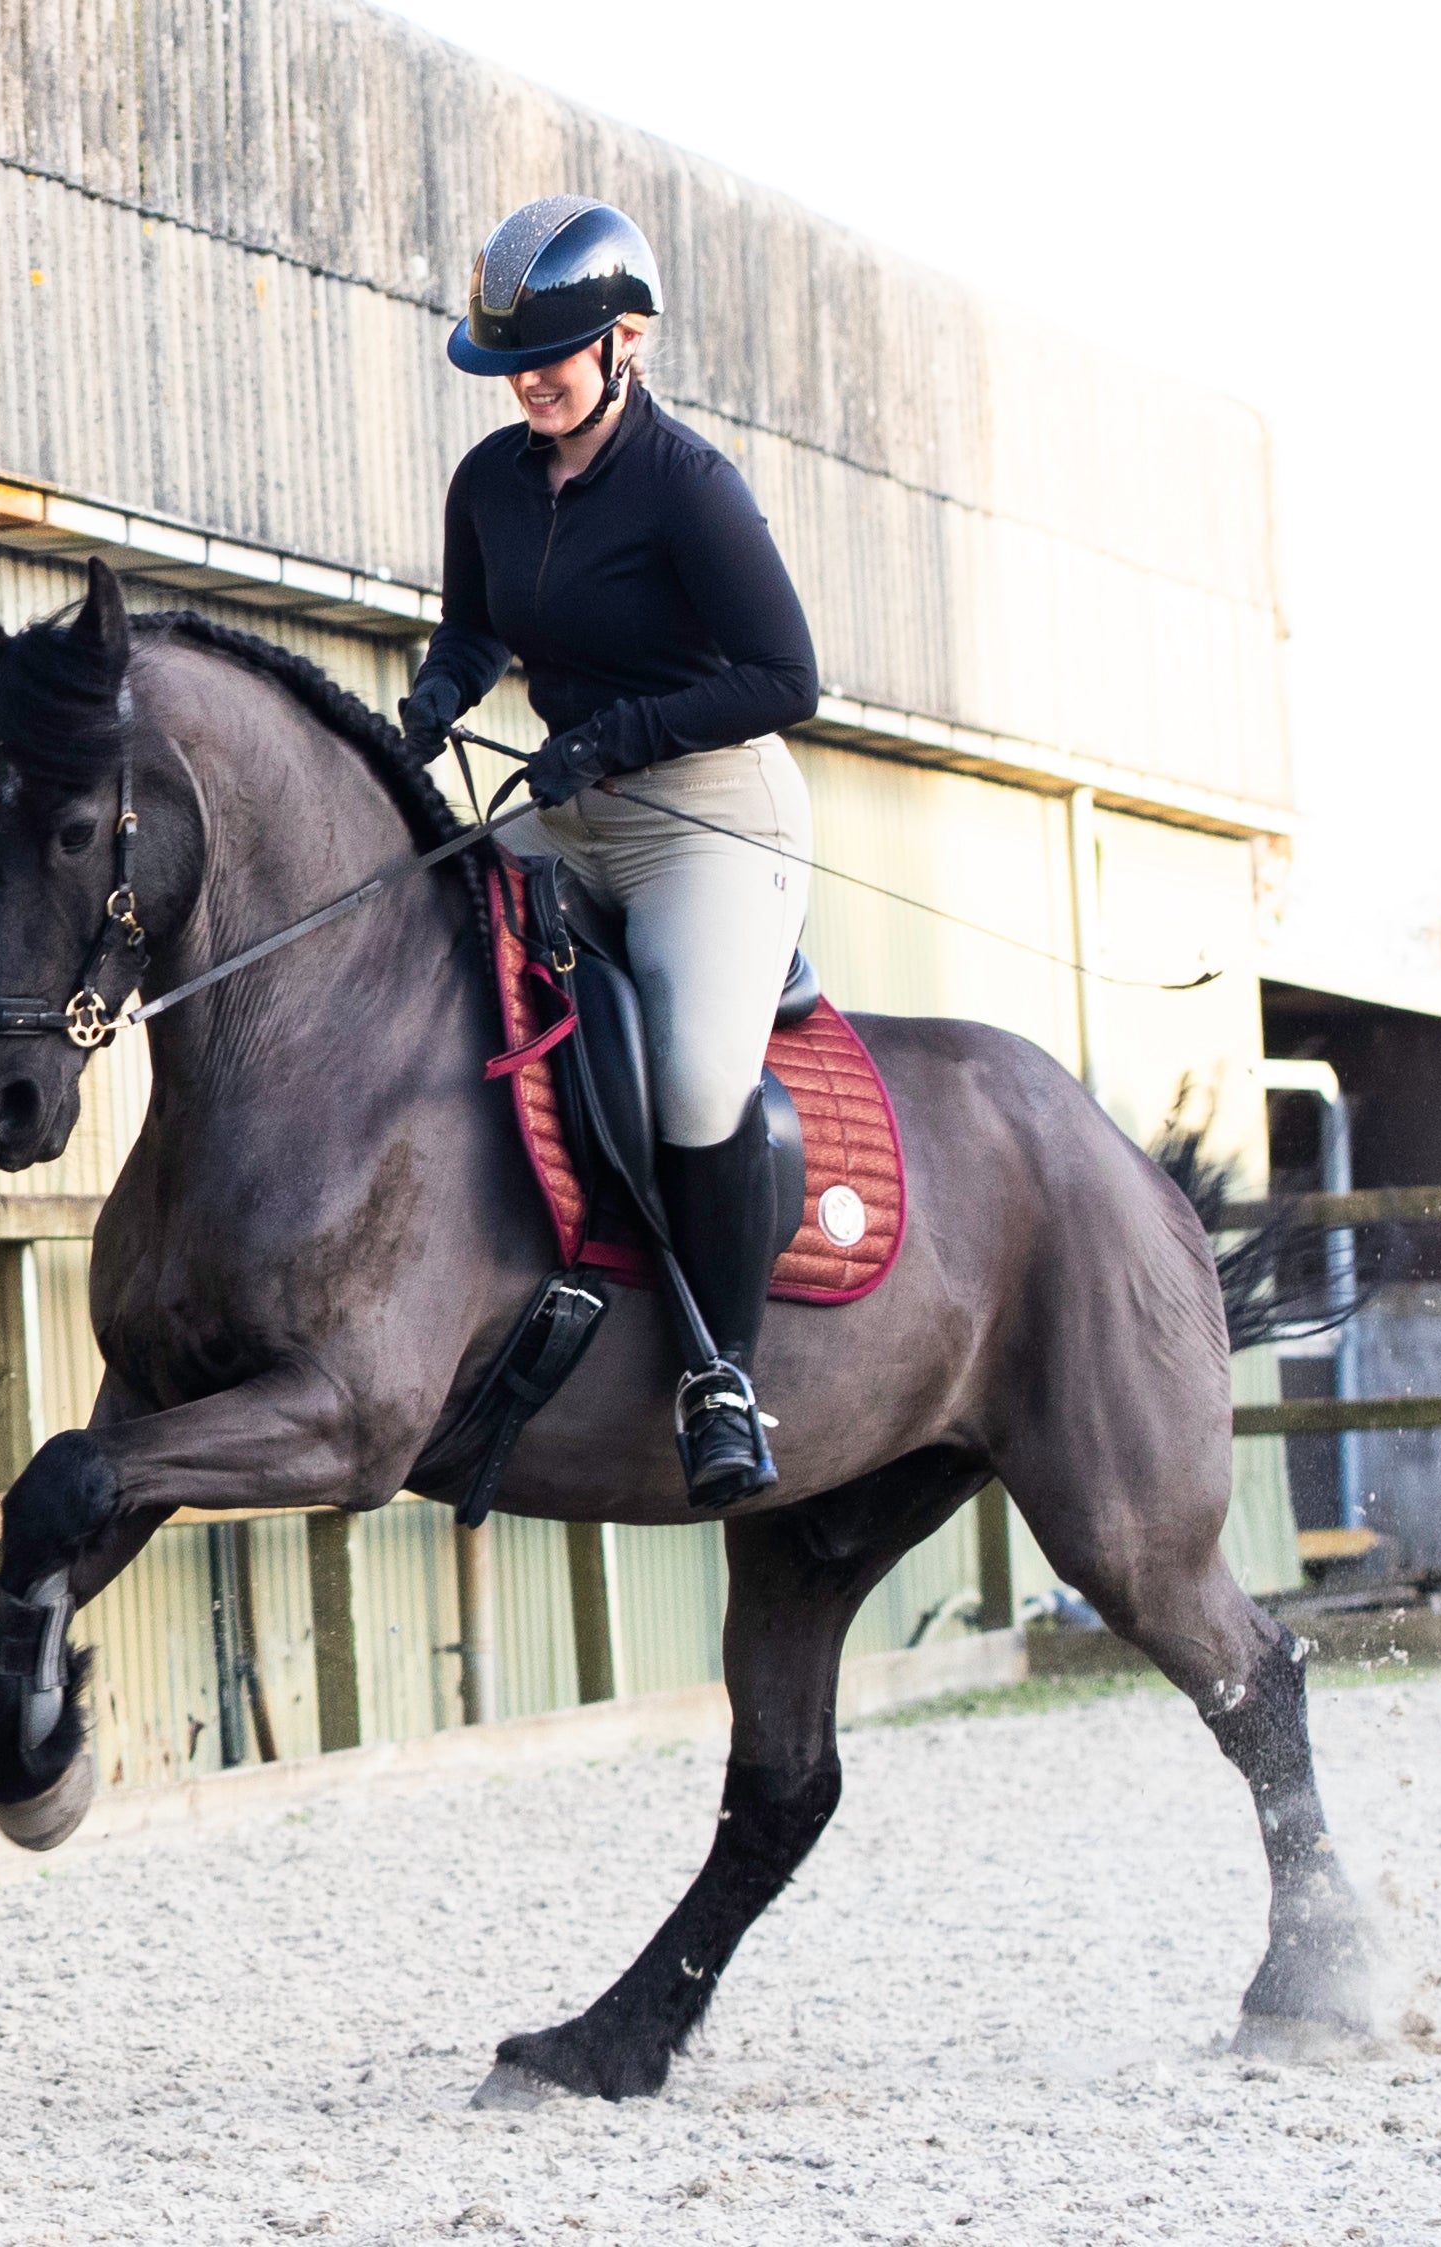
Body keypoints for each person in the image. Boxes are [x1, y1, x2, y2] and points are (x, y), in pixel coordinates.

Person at [399, 196, 819, 1505]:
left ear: (622, 343)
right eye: (510, 361)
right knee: (414, 945)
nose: (527, 381)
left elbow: (785, 677)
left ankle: (721, 1377)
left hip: (708, 820)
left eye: (553, 357)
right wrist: (431, 701)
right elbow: (478, 633)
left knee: (697, 1083)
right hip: (567, 809)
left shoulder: (689, 488)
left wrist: (622, 734)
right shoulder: (490, 483)